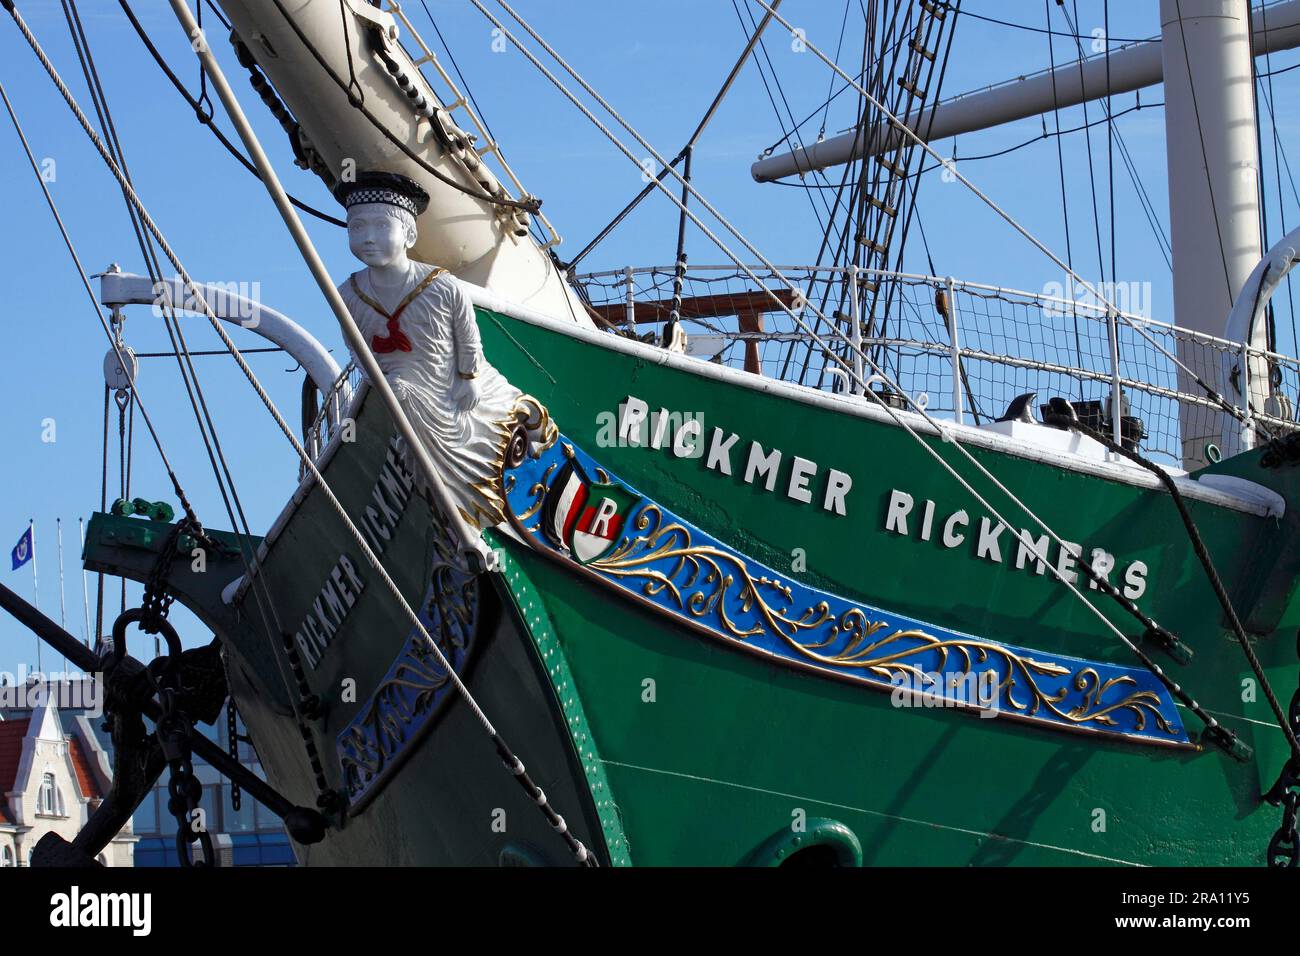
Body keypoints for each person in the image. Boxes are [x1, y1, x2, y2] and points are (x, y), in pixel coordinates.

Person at [334, 171, 553, 530]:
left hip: (450, 385)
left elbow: (467, 335)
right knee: (412, 422)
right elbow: (354, 345)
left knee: (481, 425)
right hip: (402, 390)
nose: (368, 238)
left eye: (380, 227)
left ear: (409, 234)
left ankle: (477, 499)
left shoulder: (440, 286)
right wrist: (378, 378)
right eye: (356, 228)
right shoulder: (348, 294)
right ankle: (456, 510)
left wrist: (467, 378)